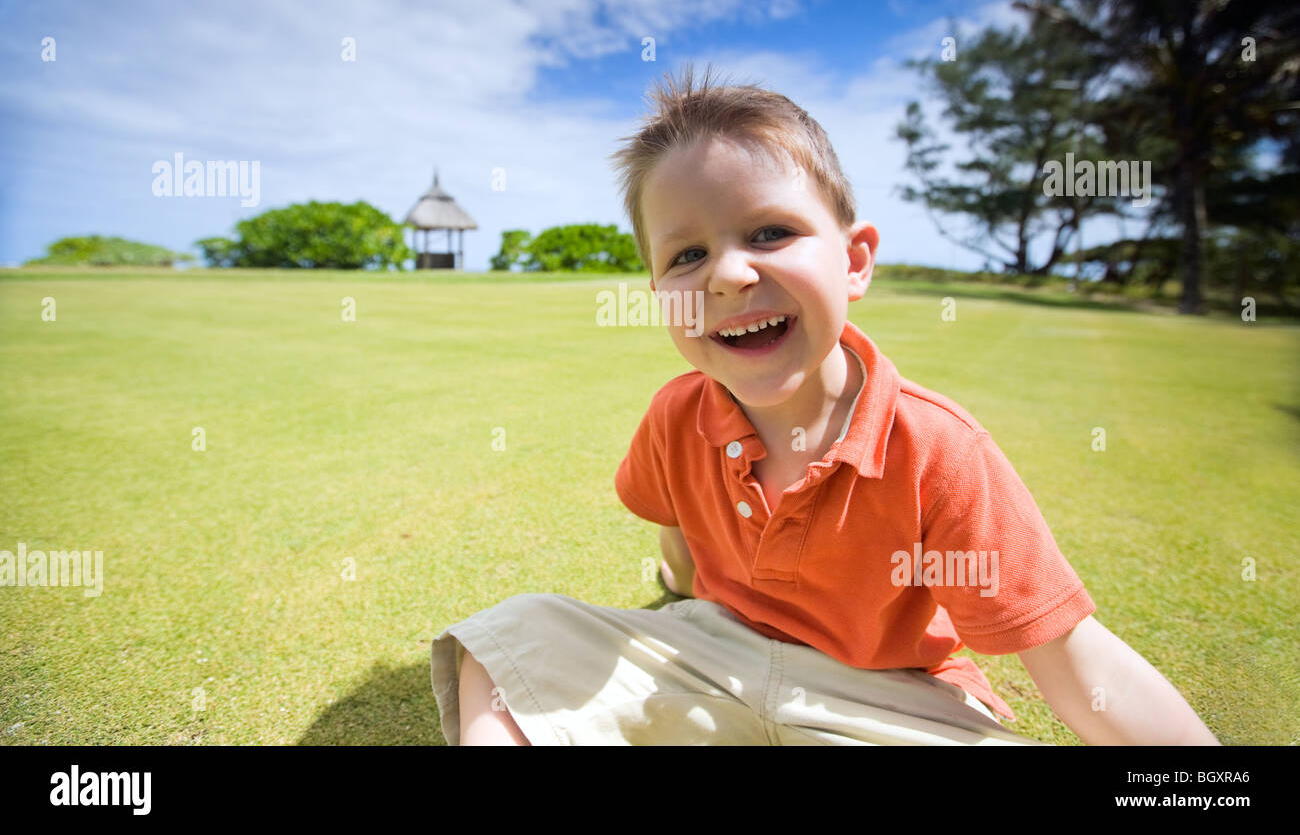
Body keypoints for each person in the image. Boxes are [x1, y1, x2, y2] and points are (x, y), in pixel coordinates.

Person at [430, 63, 1220, 746]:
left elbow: (1078, 665)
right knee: (513, 634)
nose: (728, 275)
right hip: (714, 652)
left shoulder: (937, 448)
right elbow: (675, 547)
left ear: (855, 260)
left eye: (770, 231)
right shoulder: (675, 417)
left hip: (889, 696)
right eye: (687, 254)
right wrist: (672, 601)